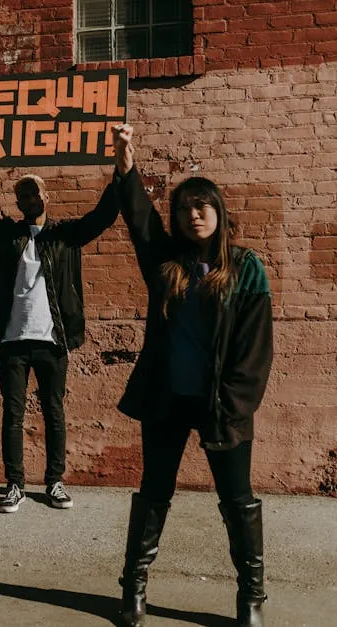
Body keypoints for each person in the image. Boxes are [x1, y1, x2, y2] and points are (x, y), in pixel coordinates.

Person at [111, 125, 273, 627]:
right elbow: (141, 222)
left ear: (220, 214)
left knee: (237, 499)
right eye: (184, 208)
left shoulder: (246, 270)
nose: (193, 214)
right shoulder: (167, 263)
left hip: (221, 405)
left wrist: (231, 406)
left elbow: (254, 350)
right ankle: (133, 590)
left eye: (203, 206)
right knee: (154, 491)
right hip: (167, 398)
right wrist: (126, 165)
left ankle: (251, 598)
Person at [0, 131, 120, 513]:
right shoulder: (6, 235)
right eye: (23, 196)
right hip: (13, 340)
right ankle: (14, 485)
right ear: (18, 203)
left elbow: (104, 215)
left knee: (54, 413)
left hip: (53, 341)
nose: (29, 200)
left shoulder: (64, 236)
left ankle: (54, 483)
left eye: (34, 193)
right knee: (12, 414)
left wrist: (120, 167)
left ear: (45, 197)